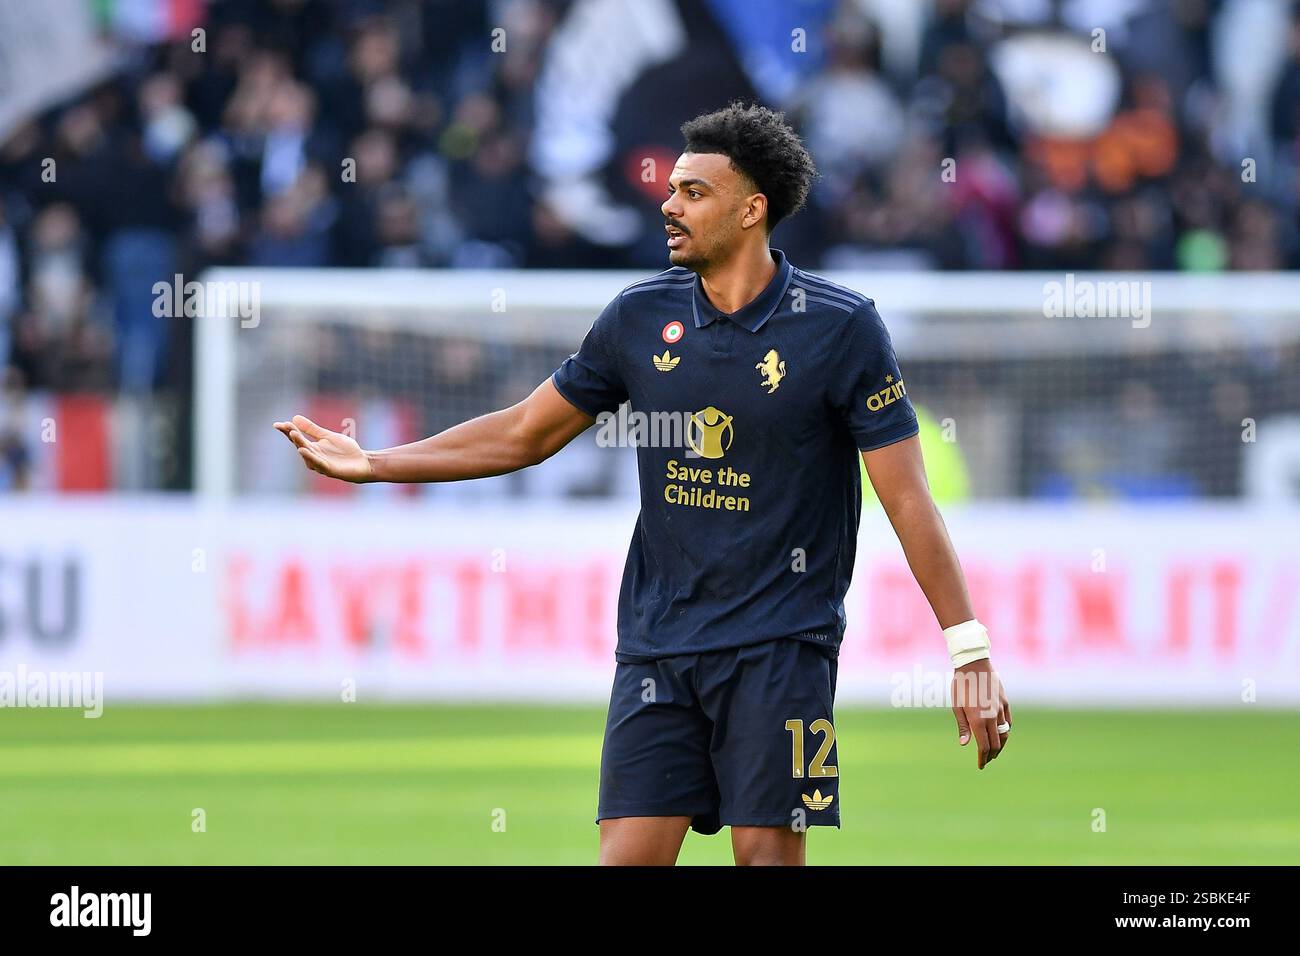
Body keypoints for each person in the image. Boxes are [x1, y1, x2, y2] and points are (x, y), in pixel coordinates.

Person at [274, 102, 1011, 866]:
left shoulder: (841, 328)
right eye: (672, 188)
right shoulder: (639, 315)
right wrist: (376, 463)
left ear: (752, 210)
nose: (669, 203)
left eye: (694, 191)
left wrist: (969, 652)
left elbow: (907, 498)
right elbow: (525, 431)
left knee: (766, 858)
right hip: (658, 648)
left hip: (784, 651)